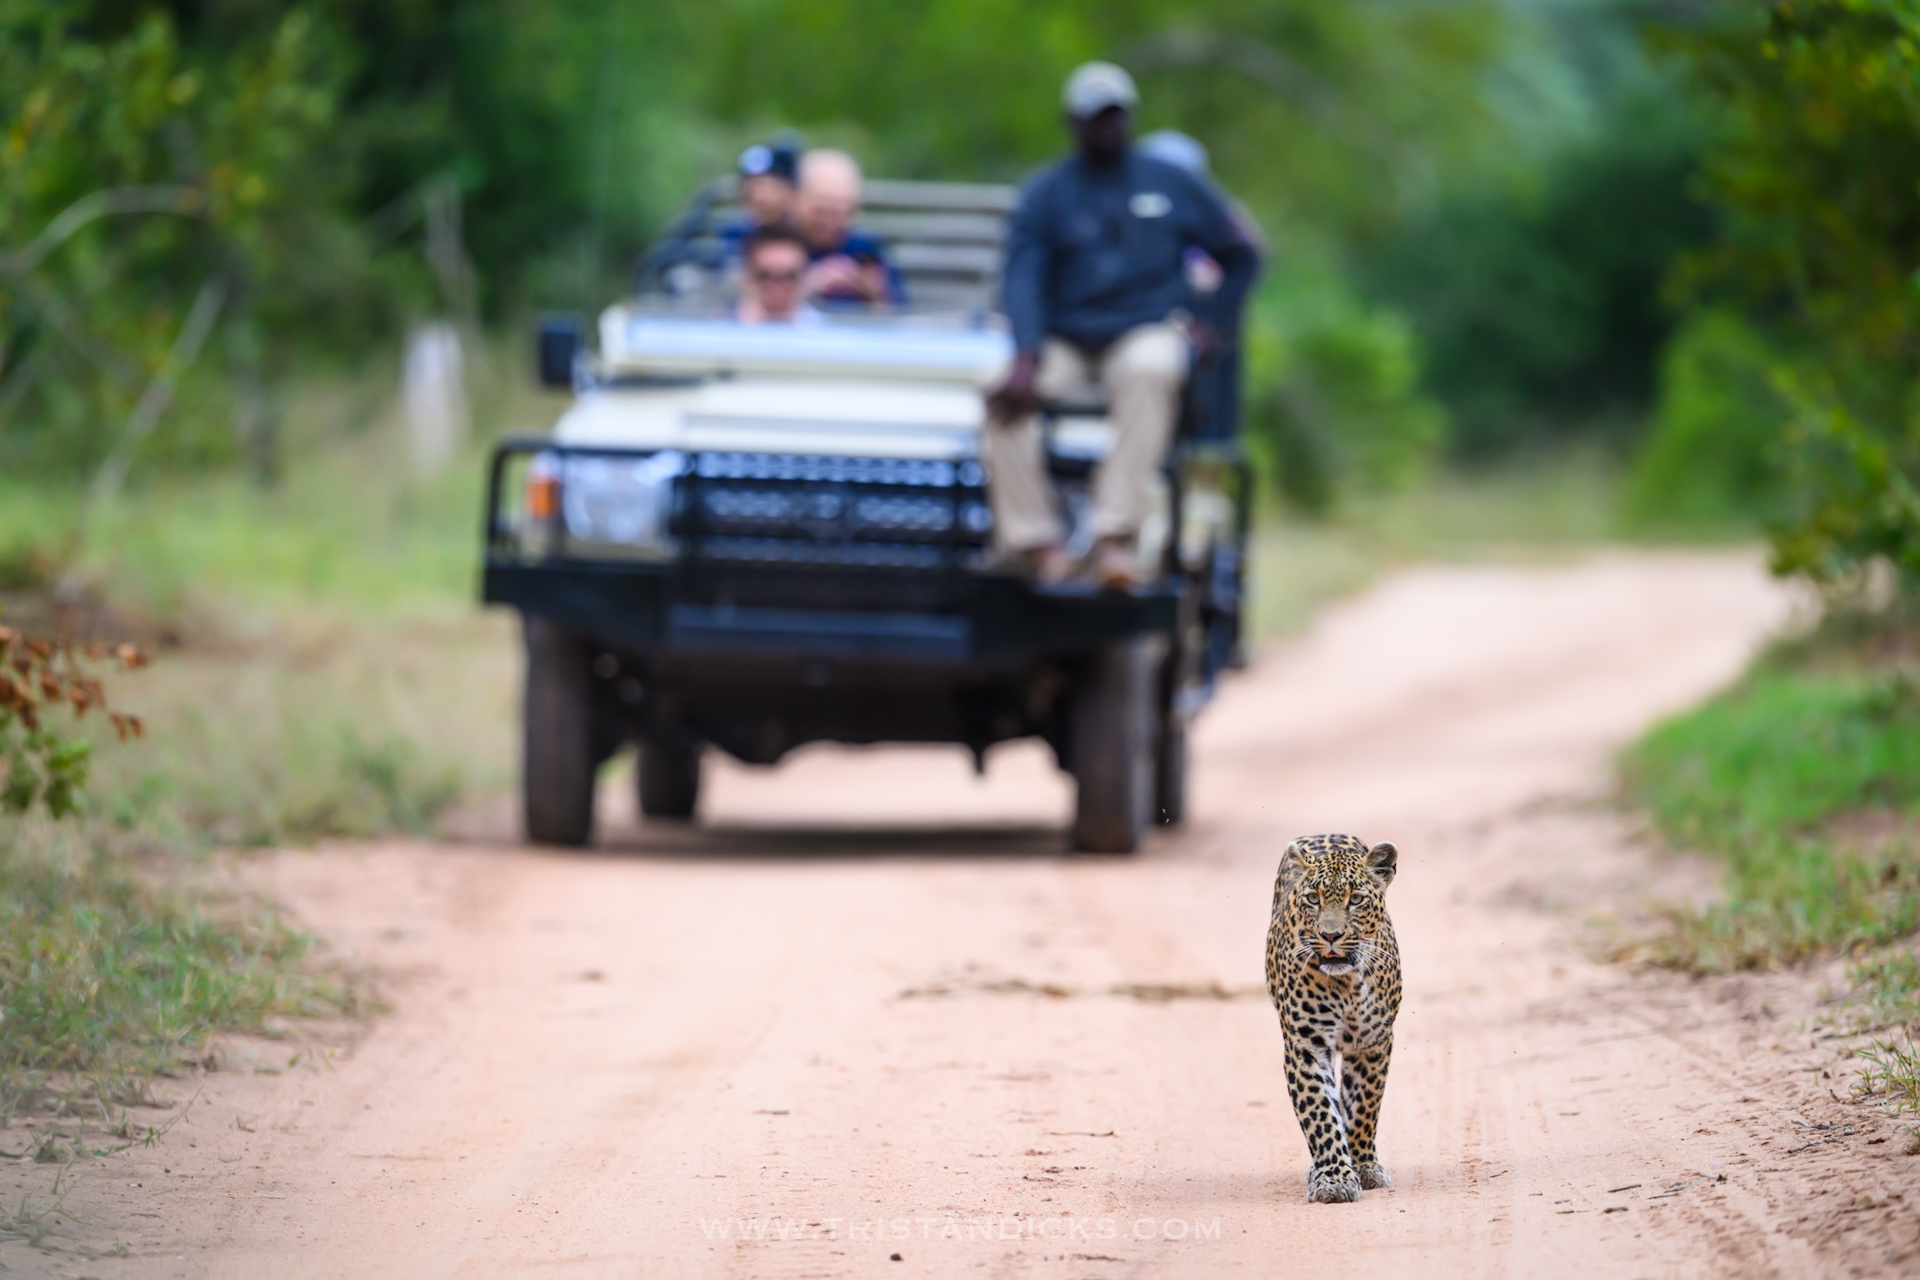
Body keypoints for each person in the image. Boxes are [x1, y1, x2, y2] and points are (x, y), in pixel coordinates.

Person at [985, 64, 1260, 588]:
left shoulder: (1169, 182)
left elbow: (1241, 254)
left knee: (1154, 367)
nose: (1109, 126)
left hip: (1142, 328)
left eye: (1117, 115)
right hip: (1065, 336)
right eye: (1096, 117)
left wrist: (1209, 326)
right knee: (999, 396)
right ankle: (1036, 542)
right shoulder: (1047, 193)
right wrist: (1025, 352)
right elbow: (1021, 278)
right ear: (1073, 122)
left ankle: (1114, 536)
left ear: (1130, 118)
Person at [794, 149, 904, 307]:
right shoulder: (779, 243)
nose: (828, 222)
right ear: (798, 202)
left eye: (838, 213)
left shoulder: (868, 249)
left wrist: (875, 294)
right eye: (820, 211)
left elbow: (899, 313)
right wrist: (808, 285)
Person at [717, 136, 802, 264]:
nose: (759, 197)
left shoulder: (812, 235)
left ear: (790, 191)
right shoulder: (735, 237)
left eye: (768, 188)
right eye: (752, 188)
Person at [736, 226, 821, 326]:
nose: (777, 287)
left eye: (789, 276)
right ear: (748, 278)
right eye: (765, 276)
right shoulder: (724, 328)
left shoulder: (826, 331)